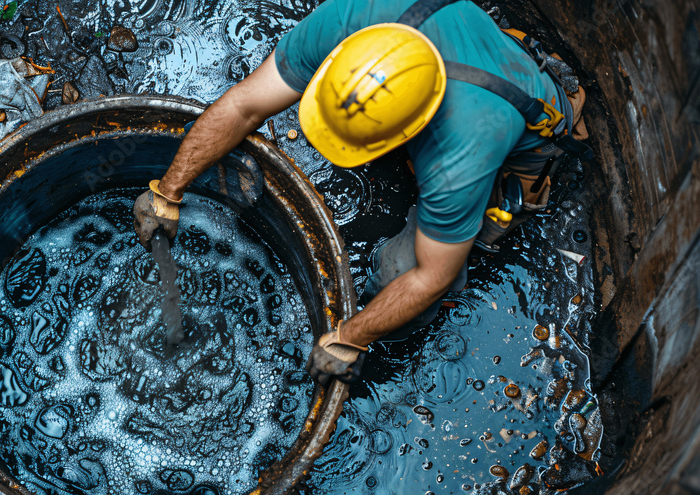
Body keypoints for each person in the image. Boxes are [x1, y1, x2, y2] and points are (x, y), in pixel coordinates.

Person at [133, 0, 590, 388]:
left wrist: (350, 339)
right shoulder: (353, 18)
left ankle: (540, 134)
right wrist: (167, 191)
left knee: (406, 267)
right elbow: (244, 104)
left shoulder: (464, 149)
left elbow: (430, 277)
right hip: (457, 58)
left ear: (409, 130)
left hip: (515, 110)